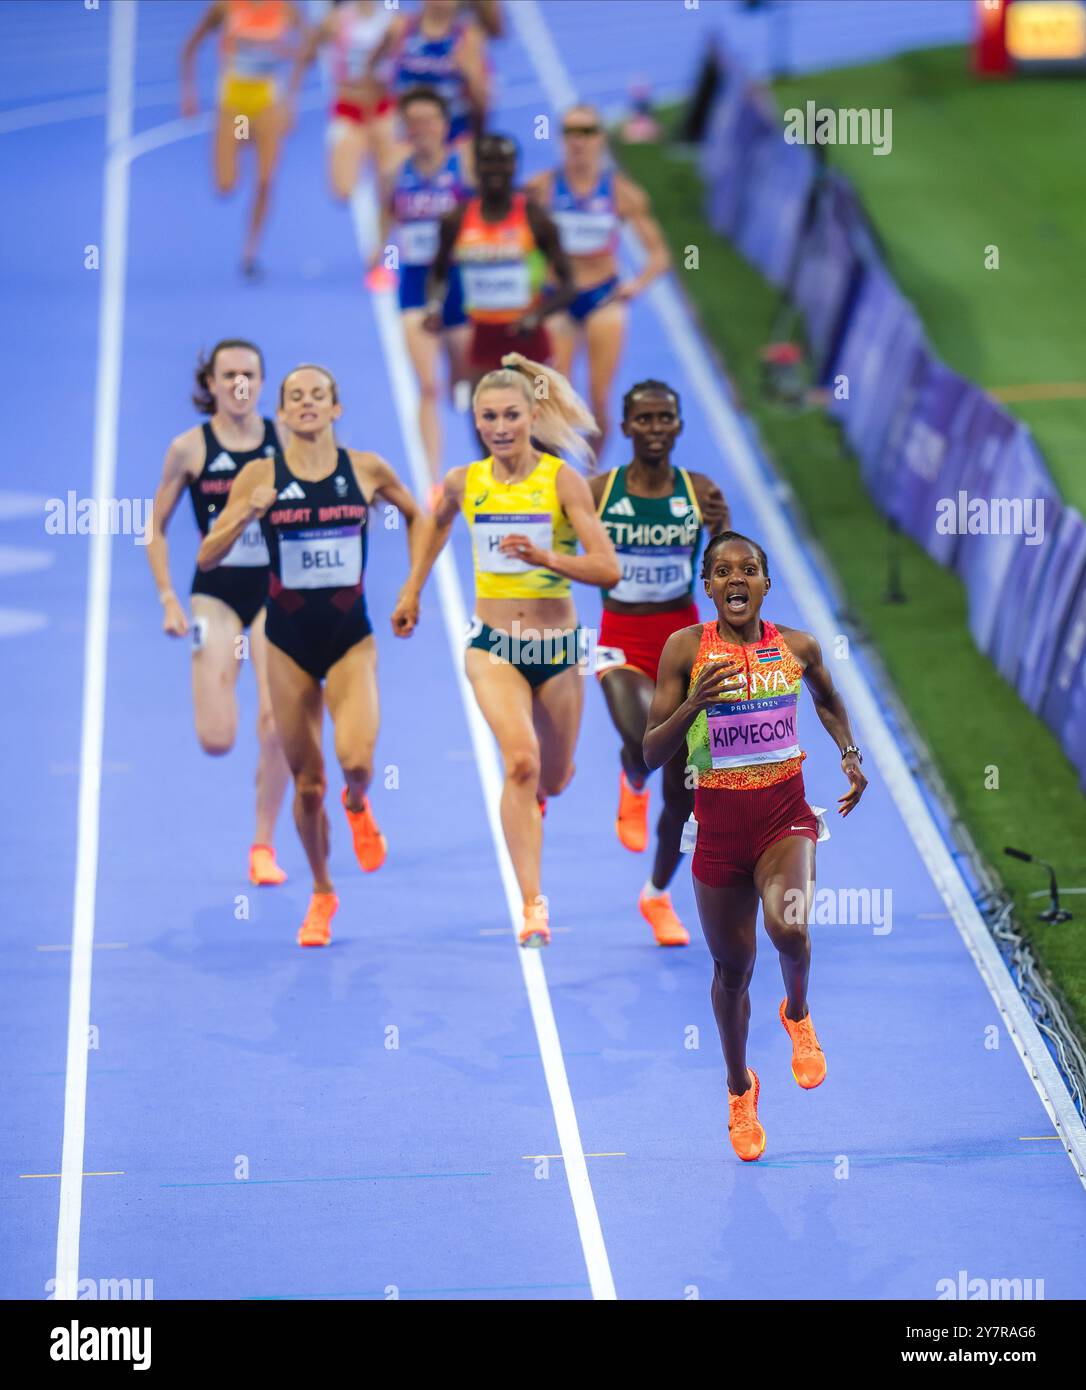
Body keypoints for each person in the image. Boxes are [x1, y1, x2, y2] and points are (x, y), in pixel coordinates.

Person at [643, 532, 867, 1161]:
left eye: (749, 569)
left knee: (789, 930)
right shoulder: (685, 650)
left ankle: (797, 1012)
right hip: (717, 830)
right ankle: (740, 1088)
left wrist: (849, 756)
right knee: (731, 973)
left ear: (767, 583)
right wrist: (695, 703)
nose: (735, 579)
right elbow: (650, 753)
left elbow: (827, 699)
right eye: (722, 571)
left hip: (782, 818)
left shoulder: (797, 646)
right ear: (708, 587)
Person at [391, 355, 620, 946]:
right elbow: (437, 523)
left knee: (557, 776)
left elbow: (607, 568)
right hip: (494, 647)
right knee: (520, 760)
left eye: (511, 415)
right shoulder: (465, 482)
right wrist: (413, 589)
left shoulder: (562, 481)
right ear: (475, 419)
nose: (499, 426)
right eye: (488, 416)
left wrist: (548, 559)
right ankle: (532, 905)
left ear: (532, 416)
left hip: (559, 648)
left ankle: (536, 803)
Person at [197, 366, 421, 947]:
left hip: (350, 638)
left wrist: (411, 589)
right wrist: (247, 511)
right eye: (295, 396)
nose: (306, 404)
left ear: (335, 408)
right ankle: (323, 891)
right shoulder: (259, 475)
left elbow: (421, 515)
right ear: (283, 411)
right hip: (287, 642)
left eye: (318, 395)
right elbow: (207, 554)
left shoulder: (366, 469)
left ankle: (359, 803)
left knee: (355, 763)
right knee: (307, 785)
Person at [590, 380, 729, 946]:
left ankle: (656, 896)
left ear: (677, 426)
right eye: (641, 419)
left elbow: (728, 571)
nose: (652, 428)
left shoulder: (699, 491)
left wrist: (719, 530)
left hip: (684, 644)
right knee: (650, 734)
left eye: (662, 419)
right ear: (625, 428)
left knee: (688, 793)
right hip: (620, 640)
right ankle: (632, 774)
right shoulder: (600, 492)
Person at [147, 339, 290, 886]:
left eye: (249, 374)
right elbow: (153, 530)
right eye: (228, 374)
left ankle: (262, 844)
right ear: (210, 384)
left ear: (260, 382)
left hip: (276, 593)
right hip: (216, 593)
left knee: (276, 723)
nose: (238, 384)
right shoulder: (189, 449)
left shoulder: (288, 443)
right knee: (218, 737)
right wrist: (166, 598)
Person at [526, 104, 670, 451]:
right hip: (557, 299)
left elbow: (660, 254)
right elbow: (514, 239)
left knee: (598, 399)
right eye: (571, 132)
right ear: (562, 139)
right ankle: (555, 480)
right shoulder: (542, 188)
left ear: (601, 138)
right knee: (555, 397)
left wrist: (637, 284)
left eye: (587, 132)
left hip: (603, 300)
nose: (579, 141)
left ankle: (592, 478)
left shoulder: (620, 192)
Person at [425, 134, 575, 395]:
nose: (495, 169)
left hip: (529, 340)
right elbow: (438, 273)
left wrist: (538, 316)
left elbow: (569, 286)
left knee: (541, 425)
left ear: (515, 166)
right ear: (475, 167)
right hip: (483, 340)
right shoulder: (456, 219)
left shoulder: (535, 217)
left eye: (502, 162)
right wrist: (434, 306)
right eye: (488, 162)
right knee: (486, 426)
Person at [377, 87, 473, 495]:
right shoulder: (395, 170)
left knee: (464, 384)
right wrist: (377, 257)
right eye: (412, 123)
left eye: (428, 121)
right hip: (415, 283)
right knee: (428, 387)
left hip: (461, 282)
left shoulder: (464, 168)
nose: (421, 130)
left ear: (444, 126)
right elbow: (387, 214)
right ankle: (433, 479)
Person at [181, 0, 308, 279]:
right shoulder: (225, 8)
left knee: (265, 181)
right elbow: (189, 48)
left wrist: (292, 100)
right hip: (236, 108)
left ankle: (250, 252)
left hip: (267, 105)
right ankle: (236, 150)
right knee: (226, 185)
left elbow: (307, 50)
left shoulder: (286, 9)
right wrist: (188, 93)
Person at [291, 0, 397, 202]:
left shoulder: (391, 19)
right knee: (342, 189)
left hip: (383, 109)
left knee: (391, 187)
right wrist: (291, 103)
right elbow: (306, 56)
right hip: (349, 110)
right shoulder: (335, 21)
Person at [372, 0, 489, 146]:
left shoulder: (468, 36)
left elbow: (482, 101)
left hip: (453, 132)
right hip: (408, 132)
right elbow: (371, 70)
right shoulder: (401, 27)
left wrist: (469, 74)